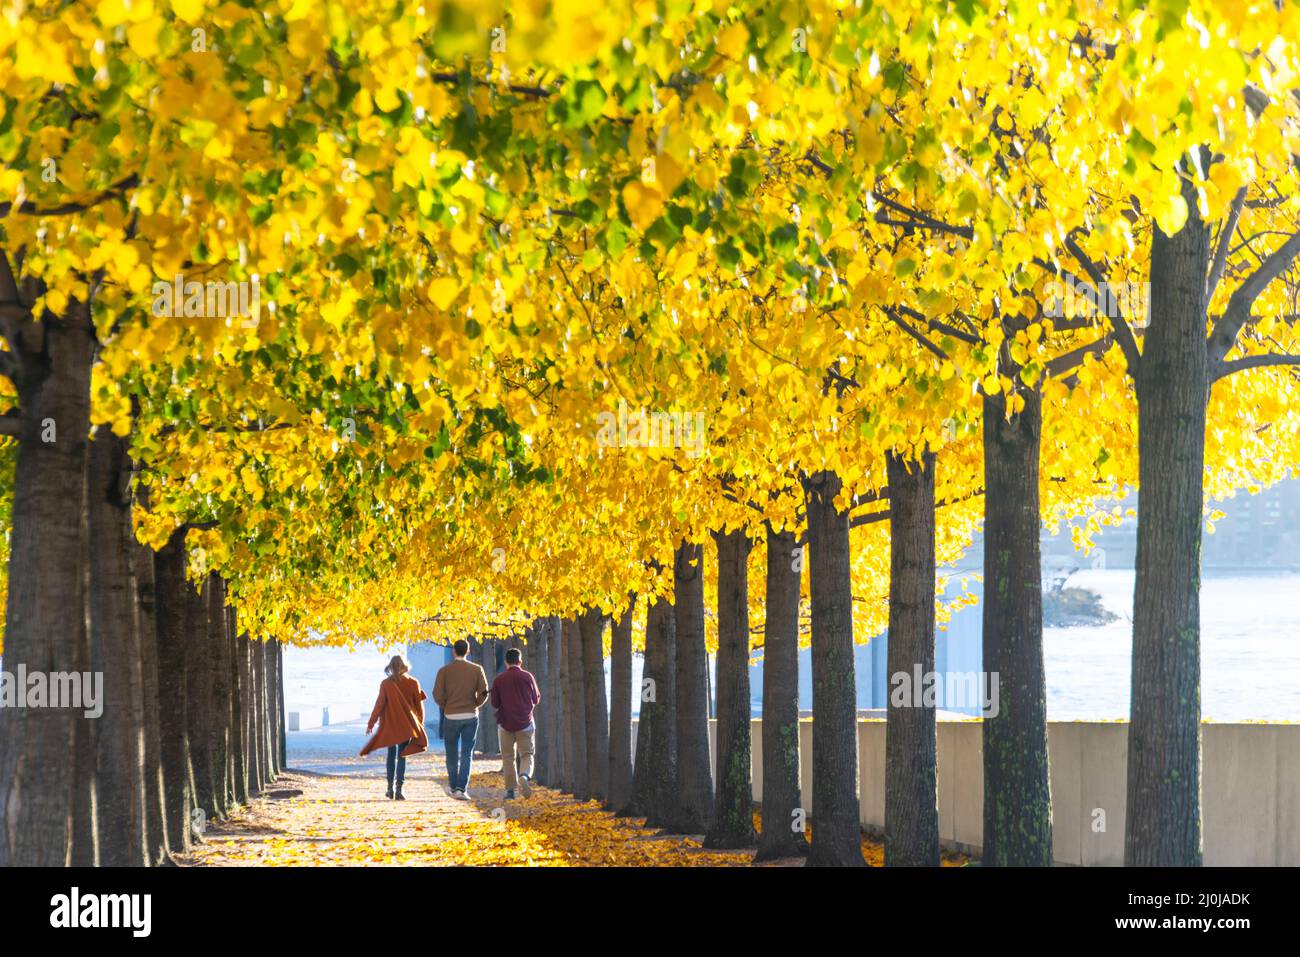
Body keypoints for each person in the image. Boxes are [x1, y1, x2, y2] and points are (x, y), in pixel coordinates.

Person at [359, 654, 428, 800]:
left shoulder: (386, 684)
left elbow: (379, 704)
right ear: (404, 666)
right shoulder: (413, 682)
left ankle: (389, 788)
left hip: (390, 725)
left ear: (390, 667)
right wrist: (420, 723)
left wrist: (371, 723)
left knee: (391, 755)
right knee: (402, 756)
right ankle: (399, 790)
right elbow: (419, 706)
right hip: (407, 725)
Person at [433, 639, 489, 800]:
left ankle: (452, 786)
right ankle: (461, 788)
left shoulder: (444, 671)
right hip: (470, 715)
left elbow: (437, 694)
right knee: (466, 753)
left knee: (451, 753)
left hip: (451, 715)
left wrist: (446, 706)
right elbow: (484, 692)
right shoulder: (477, 669)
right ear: (468, 651)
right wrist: (475, 704)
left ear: (454, 651)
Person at [490, 647, 541, 800]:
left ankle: (510, 791)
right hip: (525, 723)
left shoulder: (499, 679)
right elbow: (536, 698)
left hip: (505, 723)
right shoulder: (528, 676)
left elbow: (495, 703)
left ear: (506, 662)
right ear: (520, 661)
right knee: (526, 754)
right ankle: (524, 776)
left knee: (508, 757)